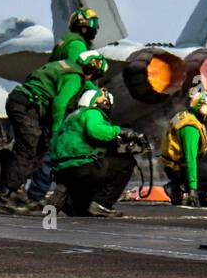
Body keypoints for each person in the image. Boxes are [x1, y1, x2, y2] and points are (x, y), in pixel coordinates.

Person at [0, 50, 109, 215]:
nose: (92, 79)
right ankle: (4, 201)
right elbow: (59, 104)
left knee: (39, 148)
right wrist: (56, 131)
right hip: (27, 105)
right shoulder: (76, 77)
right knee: (28, 151)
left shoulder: (69, 66)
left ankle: (17, 192)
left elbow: (87, 85)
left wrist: (98, 93)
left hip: (21, 101)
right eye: (95, 74)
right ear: (92, 69)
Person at [28, 7, 102, 199]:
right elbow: (78, 73)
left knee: (42, 150)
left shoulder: (64, 41)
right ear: (85, 28)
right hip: (61, 105)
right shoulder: (77, 45)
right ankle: (38, 194)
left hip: (48, 102)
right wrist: (96, 93)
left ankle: (30, 192)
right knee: (57, 149)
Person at [44, 89, 143, 217]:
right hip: (82, 166)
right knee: (126, 162)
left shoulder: (72, 117)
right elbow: (95, 131)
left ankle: (67, 200)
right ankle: (102, 203)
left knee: (82, 211)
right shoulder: (93, 113)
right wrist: (120, 131)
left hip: (61, 171)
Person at [161, 87, 207, 207]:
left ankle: (199, 191)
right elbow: (190, 159)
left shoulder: (189, 116)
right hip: (178, 168)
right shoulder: (190, 128)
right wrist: (193, 188)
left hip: (177, 163)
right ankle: (181, 187)